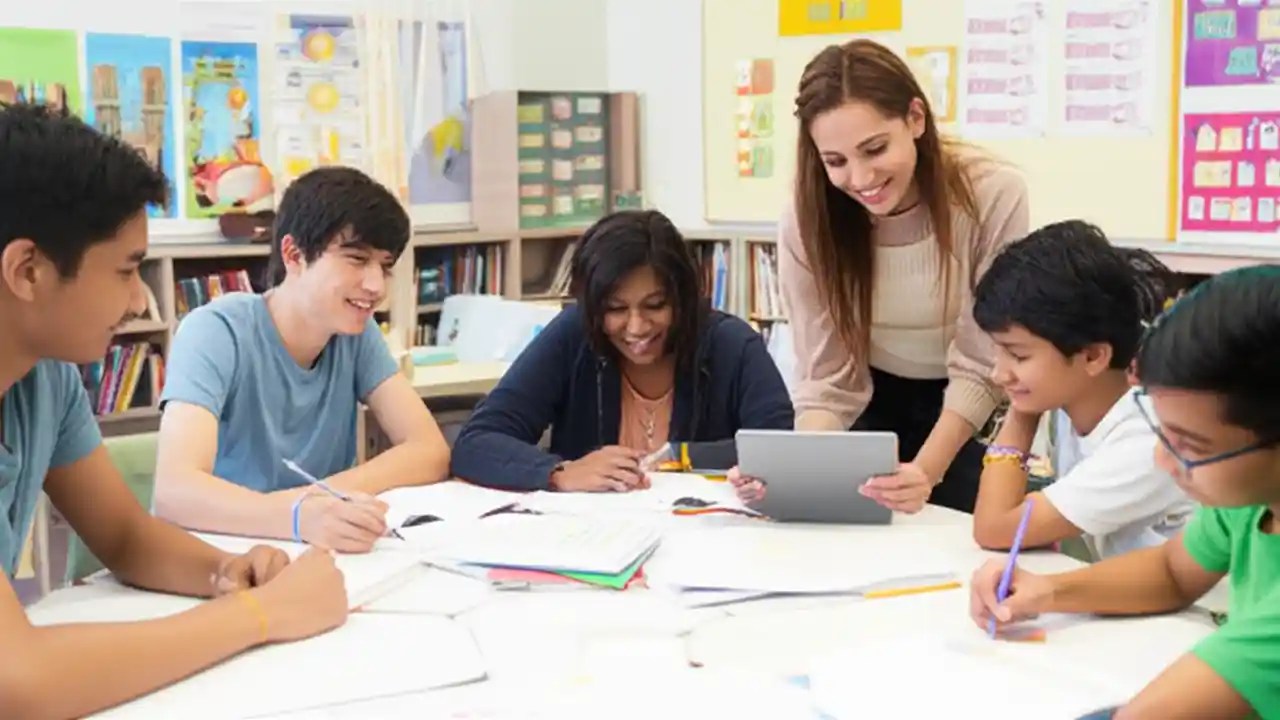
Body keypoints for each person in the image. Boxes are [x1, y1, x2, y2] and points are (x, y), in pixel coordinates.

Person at [0, 102, 347, 718]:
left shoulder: (43, 378)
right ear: (28, 271)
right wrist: (261, 615)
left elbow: (126, 537)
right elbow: (17, 681)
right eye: (127, 270)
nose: (139, 301)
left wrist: (225, 572)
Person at [970, 266, 1280, 719]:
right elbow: (1174, 572)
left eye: (1191, 446)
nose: (1163, 460)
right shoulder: (1252, 497)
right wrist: (1049, 591)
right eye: (1162, 431)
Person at [756, 38, 1030, 514]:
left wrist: (926, 471)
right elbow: (827, 378)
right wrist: (801, 468)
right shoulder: (808, 219)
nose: (860, 179)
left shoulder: (992, 193)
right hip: (868, 404)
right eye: (835, 161)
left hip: (966, 408)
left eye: (875, 149)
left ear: (916, 120)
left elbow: (981, 357)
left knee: (961, 549)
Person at [155, 167, 450, 553]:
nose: (376, 285)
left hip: (314, 549)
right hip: (222, 553)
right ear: (294, 255)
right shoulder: (215, 331)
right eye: (357, 259)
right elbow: (174, 491)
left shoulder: (355, 335)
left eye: (385, 266)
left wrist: (317, 502)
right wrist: (297, 513)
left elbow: (430, 450)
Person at [451, 209, 794, 492]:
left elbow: (781, 451)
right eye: (615, 309)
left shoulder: (732, 346)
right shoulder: (573, 334)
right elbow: (477, 441)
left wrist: (685, 456)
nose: (636, 328)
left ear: (683, 298)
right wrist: (559, 472)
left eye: (655, 305)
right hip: (592, 544)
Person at [969, 221, 1195, 560]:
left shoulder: (1147, 438)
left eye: (1018, 355)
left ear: (1092, 356)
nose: (998, 373)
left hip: (1198, 612)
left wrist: (1020, 412)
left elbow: (996, 529)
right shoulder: (1071, 402)